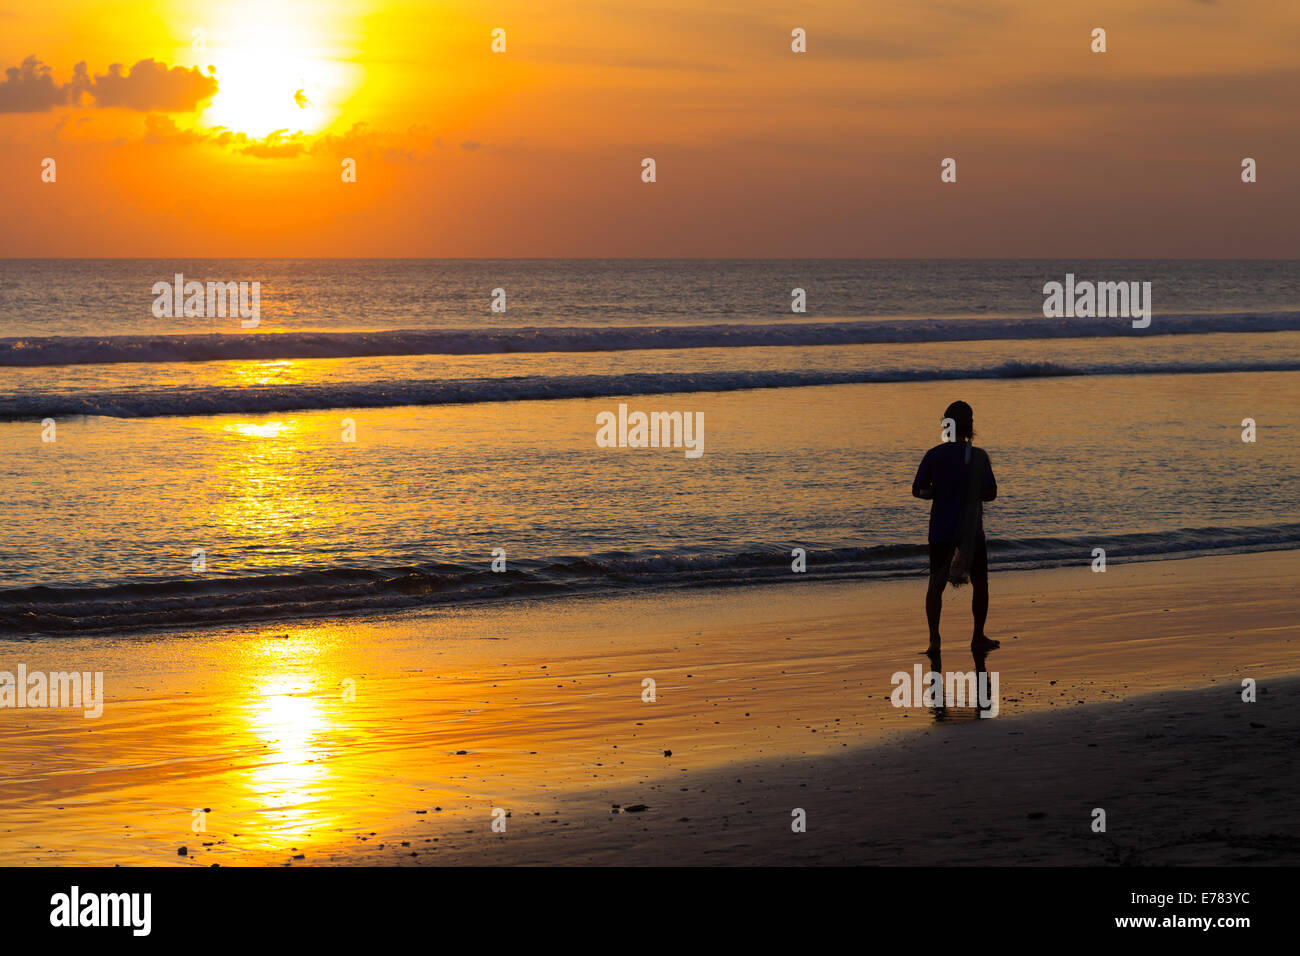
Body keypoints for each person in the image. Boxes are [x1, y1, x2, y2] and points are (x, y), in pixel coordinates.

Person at [911, 401, 1000, 657]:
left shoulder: (934, 455)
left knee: (936, 583)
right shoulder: (979, 456)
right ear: (970, 427)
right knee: (980, 583)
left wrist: (939, 491)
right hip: (971, 530)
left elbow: (918, 490)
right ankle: (977, 636)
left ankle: (934, 640)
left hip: (941, 527)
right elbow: (991, 494)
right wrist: (971, 492)